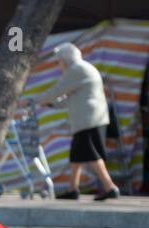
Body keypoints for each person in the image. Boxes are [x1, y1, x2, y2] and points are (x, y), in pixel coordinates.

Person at [40, 42, 118, 200]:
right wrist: (51, 103)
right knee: (77, 155)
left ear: (66, 59)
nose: (58, 64)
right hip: (91, 117)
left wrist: (36, 100)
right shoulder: (83, 69)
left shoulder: (76, 70)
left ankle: (110, 187)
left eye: (59, 61)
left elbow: (58, 90)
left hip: (87, 119)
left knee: (91, 153)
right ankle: (73, 188)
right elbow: (70, 98)